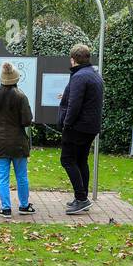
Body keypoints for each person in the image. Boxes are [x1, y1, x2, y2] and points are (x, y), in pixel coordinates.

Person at [0, 61, 35, 217]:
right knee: (21, 176)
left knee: (2, 177)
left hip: (0, 142)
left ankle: (5, 208)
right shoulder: (21, 97)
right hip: (18, 142)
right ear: (16, 79)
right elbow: (27, 120)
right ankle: (24, 206)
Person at [57, 43, 104, 214]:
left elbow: (74, 105)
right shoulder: (94, 75)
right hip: (91, 126)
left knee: (67, 160)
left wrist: (66, 124)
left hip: (78, 127)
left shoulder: (79, 77)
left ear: (73, 59)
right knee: (81, 160)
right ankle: (81, 197)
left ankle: (82, 198)